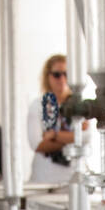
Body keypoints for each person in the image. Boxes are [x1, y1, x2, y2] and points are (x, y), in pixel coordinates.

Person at [28, 55, 77, 183]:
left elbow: (86, 137)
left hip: (73, 179)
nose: (62, 79)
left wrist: (53, 135)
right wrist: (71, 138)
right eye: (57, 74)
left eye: (66, 74)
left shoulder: (80, 105)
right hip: (43, 179)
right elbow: (37, 144)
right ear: (47, 76)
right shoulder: (37, 105)